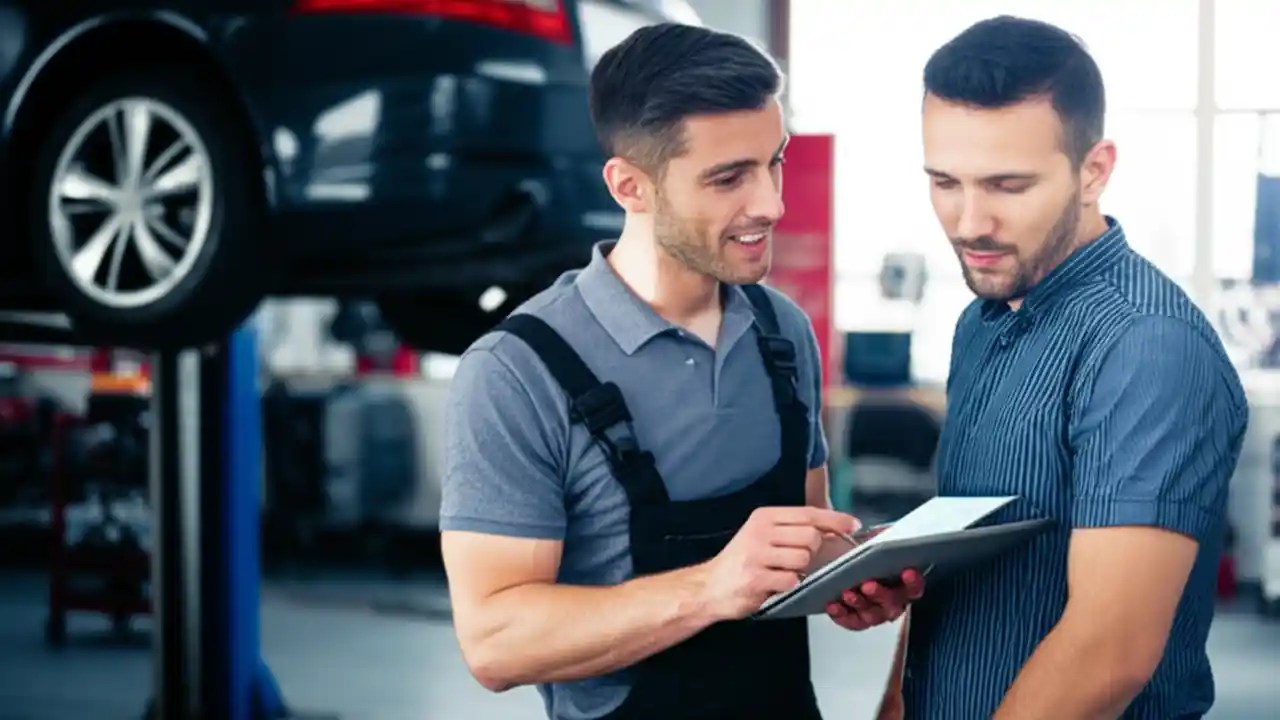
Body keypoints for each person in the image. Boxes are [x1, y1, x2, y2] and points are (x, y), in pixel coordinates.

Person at [439, 22, 924, 720]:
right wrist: (710, 587)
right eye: (729, 178)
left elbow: (804, 539)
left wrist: (851, 573)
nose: (771, 204)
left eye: (774, 162)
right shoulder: (517, 373)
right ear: (630, 185)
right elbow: (495, 643)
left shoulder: (780, 333)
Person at [875, 15, 1249, 719]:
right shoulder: (983, 320)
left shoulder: (1147, 346)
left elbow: (1109, 651)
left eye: (1008, 185)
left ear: (1095, 170)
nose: (968, 222)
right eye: (944, 182)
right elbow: (960, 568)